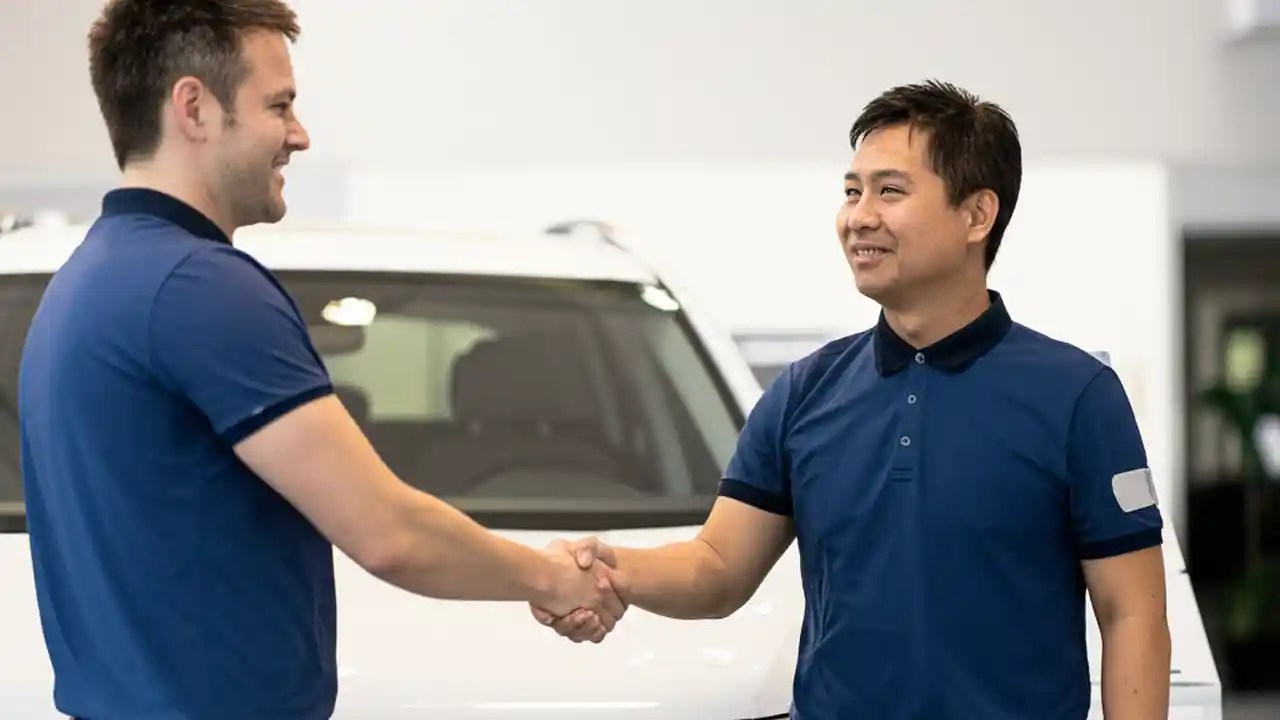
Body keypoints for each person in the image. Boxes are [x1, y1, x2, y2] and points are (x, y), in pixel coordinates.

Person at [17, 2, 623, 719]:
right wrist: (551, 578)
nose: (298, 136)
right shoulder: (196, 285)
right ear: (194, 107)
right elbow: (389, 533)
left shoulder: (86, 281)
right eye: (279, 105)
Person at [533, 80, 1172, 719]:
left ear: (978, 215)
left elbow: (1132, 613)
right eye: (851, 191)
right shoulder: (803, 392)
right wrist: (613, 568)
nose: (859, 216)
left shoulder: (1076, 396)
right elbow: (718, 566)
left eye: (890, 191)